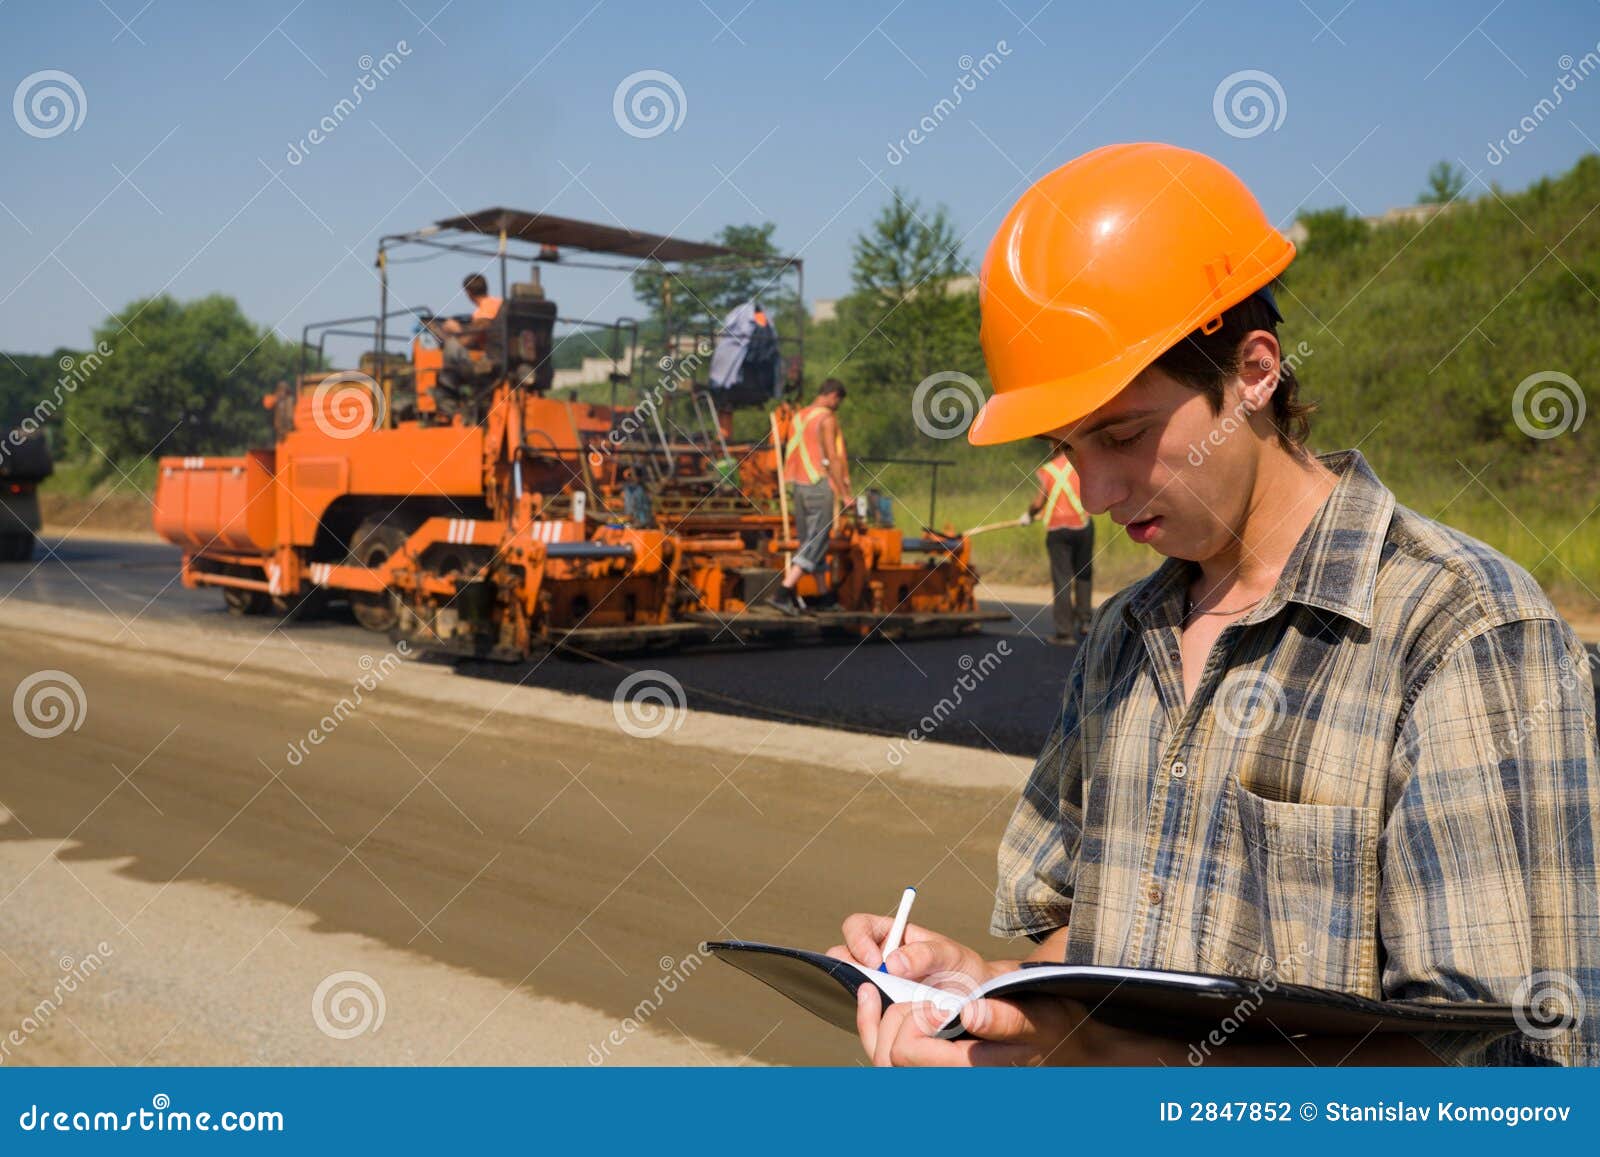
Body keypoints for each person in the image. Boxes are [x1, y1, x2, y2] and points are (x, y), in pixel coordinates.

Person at [829, 142, 1599, 1066]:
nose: (1098, 491)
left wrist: (1098, 1061)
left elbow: (1509, 1067)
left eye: (1124, 434)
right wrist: (994, 990)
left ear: (1254, 372)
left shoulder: (1461, 634)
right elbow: (1094, 934)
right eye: (1069, 449)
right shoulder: (1123, 639)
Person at [771, 380, 851, 615]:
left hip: (798, 486)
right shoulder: (826, 418)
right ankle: (783, 592)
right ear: (833, 396)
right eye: (838, 401)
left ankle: (824, 596)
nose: (837, 406)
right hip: (818, 484)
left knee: (810, 541)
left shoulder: (798, 416)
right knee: (817, 540)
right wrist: (845, 493)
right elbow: (833, 457)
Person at [1023, 442, 1092, 644]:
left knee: (1062, 579)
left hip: (1057, 530)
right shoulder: (1080, 464)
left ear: (1054, 447)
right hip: (1082, 525)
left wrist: (1029, 514)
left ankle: (1064, 633)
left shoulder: (1049, 470)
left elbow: (1038, 502)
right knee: (1084, 573)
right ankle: (1086, 622)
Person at [432, 273, 503, 418]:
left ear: (468, 293)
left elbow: (469, 339)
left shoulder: (485, 310)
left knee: (451, 348)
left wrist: (456, 329)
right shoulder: (500, 303)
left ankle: (450, 409)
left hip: (492, 361)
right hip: (502, 358)